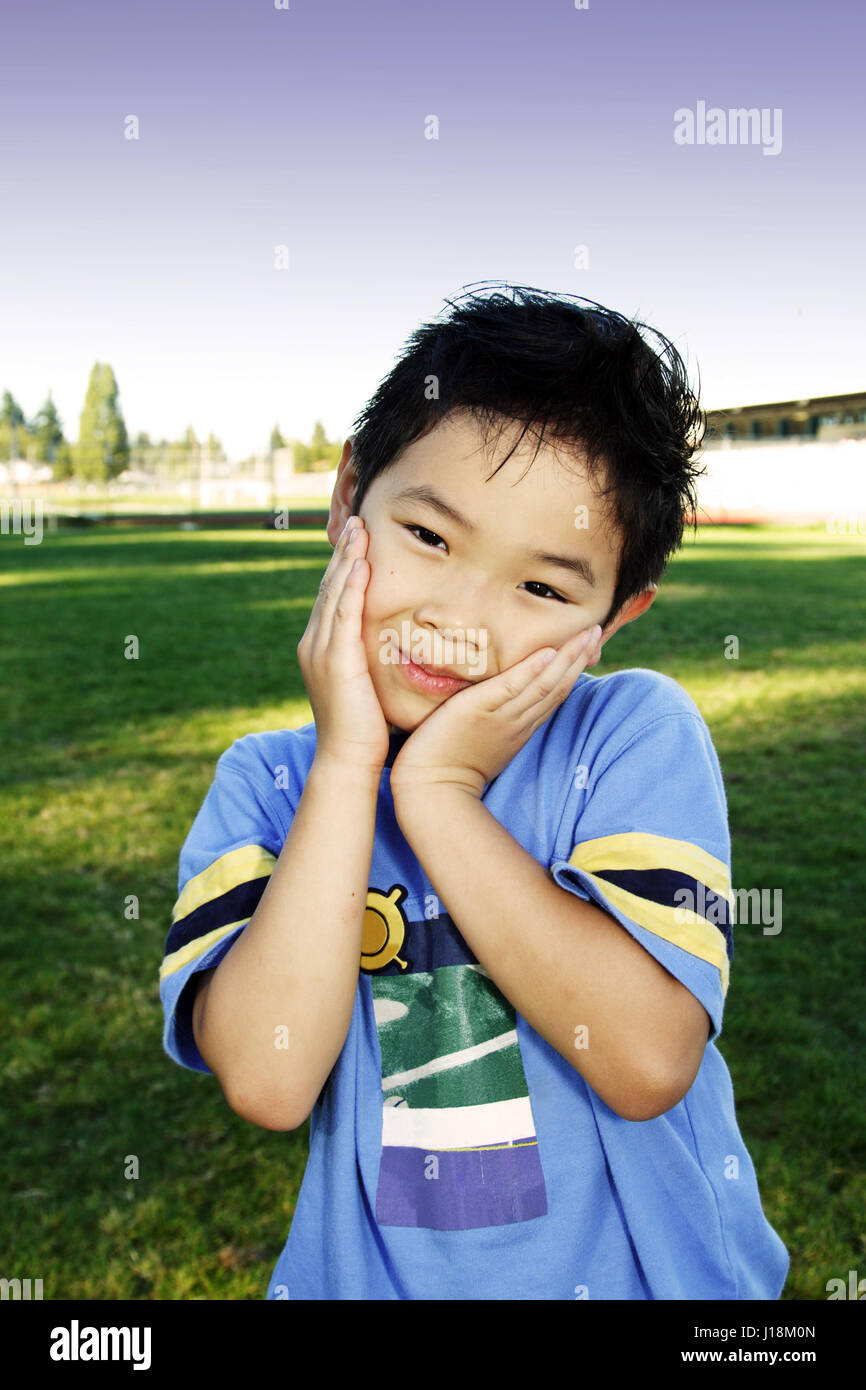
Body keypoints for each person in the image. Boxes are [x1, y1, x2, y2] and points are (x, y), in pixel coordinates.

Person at [159, 283, 789, 1299]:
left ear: (614, 616)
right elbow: (269, 1080)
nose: (462, 615)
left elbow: (641, 1060)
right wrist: (344, 768)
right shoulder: (271, 785)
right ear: (346, 497)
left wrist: (440, 795)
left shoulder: (629, 735)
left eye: (541, 587)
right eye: (429, 537)